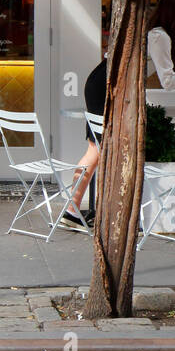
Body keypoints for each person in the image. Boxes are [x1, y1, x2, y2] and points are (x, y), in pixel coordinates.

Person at [63, 57, 107, 228]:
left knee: (94, 151)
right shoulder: (156, 36)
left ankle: (72, 210)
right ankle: (107, 213)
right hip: (107, 78)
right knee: (105, 154)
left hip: (99, 77)